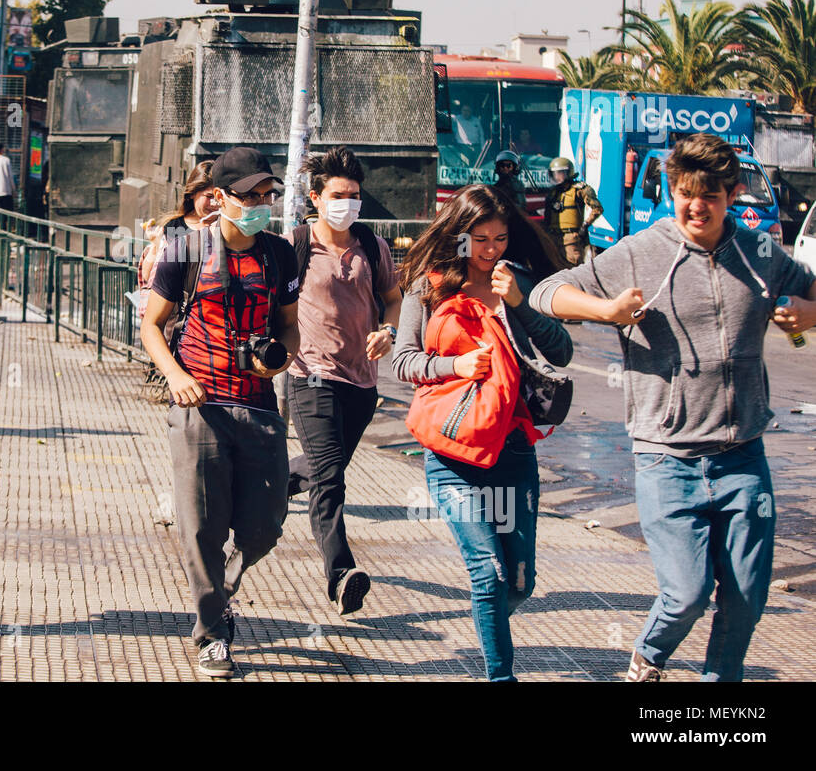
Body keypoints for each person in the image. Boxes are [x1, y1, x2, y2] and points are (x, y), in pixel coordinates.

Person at [527, 134, 816, 682]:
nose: (695, 206)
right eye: (685, 193)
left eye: (709, 195)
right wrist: (606, 309)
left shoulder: (759, 254)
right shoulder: (641, 252)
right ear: (672, 191)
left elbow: (812, 293)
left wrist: (809, 312)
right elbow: (548, 292)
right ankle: (649, 655)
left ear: (732, 194)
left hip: (743, 458)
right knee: (686, 593)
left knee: (748, 596)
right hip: (667, 461)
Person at [392, 184, 571, 681]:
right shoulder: (427, 288)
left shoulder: (521, 282)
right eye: (480, 239)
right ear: (459, 236)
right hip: (453, 456)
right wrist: (456, 364)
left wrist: (520, 302)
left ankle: (488, 616)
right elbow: (403, 361)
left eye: (500, 238)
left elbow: (561, 352)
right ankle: (501, 676)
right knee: (488, 574)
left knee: (519, 583)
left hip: (512, 452)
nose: (491, 250)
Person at [140, 146, 301, 678]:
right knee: (201, 528)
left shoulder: (279, 254)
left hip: (258, 405)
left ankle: (223, 591)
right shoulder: (185, 249)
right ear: (221, 198)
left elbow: (289, 327)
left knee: (265, 527)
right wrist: (176, 376)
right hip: (200, 409)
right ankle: (212, 632)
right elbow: (152, 326)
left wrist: (278, 362)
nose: (260, 204)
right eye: (248, 196)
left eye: (266, 195)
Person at [284, 146, 402, 615]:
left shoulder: (373, 246)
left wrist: (388, 330)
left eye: (354, 195)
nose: (348, 203)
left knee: (318, 469)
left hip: (362, 382)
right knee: (330, 479)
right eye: (338, 194)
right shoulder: (295, 245)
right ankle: (341, 574)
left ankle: (265, 483)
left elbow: (393, 298)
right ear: (316, 197)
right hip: (309, 377)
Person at [136, 161, 217, 324]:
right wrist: (156, 246)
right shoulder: (174, 227)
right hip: (177, 317)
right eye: (209, 197)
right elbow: (148, 276)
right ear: (193, 193)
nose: (214, 203)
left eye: (218, 197)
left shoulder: (226, 228)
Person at [543, 156, 602, 266]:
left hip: (572, 240)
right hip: (553, 239)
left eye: (560, 173)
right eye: (554, 174)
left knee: (571, 268)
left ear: (568, 172)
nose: (557, 177)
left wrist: (585, 225)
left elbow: (597, 208)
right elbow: (547, 216)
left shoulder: (579, 190)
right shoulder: (553, 193)